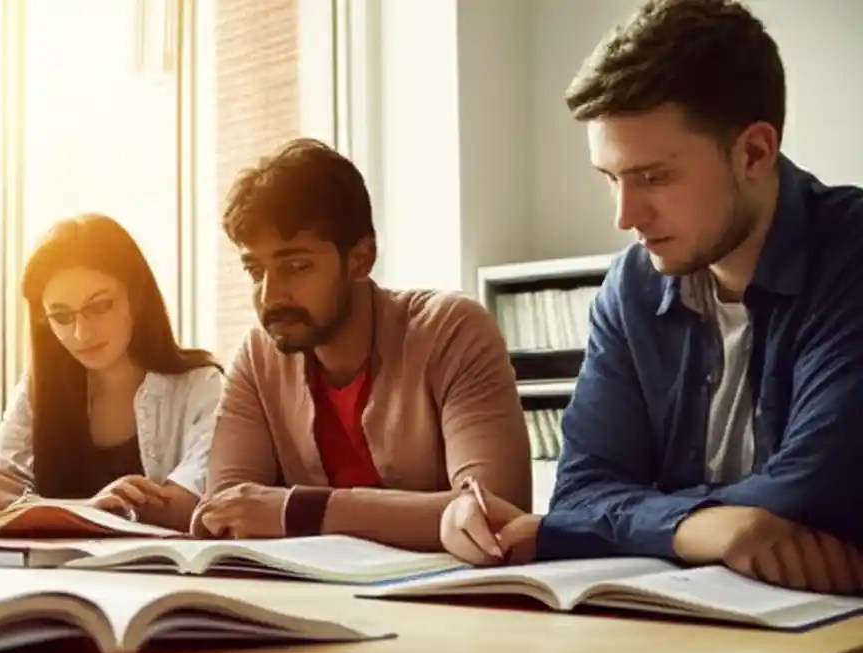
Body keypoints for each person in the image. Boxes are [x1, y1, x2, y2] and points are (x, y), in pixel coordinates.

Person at [442, 0, 863, 594]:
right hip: (682, 626)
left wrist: (634, 520)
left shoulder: (851, 257)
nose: (624, 217)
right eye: (611, 178)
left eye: (653, 177)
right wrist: (709, 531)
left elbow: (812, 490)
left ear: (754, 153)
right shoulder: (632, 287)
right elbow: (580, 490)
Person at [195, 138, 531, 550]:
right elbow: (224, 514)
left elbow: (493, 512)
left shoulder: (452, 331)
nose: (269, 296)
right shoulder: (258, 356)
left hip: (447, 604)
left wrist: (301, 512)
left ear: (361, 259)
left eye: (296, 266)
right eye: (255, 271)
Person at [0, 214, 222, 531]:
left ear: (136, 298)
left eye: (99, 306)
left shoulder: (200, 385)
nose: (81, 334)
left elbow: (185, 506)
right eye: (61, 316)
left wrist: (52, 514)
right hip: (57, 574)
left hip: (161, 576)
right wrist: (85, 509)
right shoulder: (40, 389)